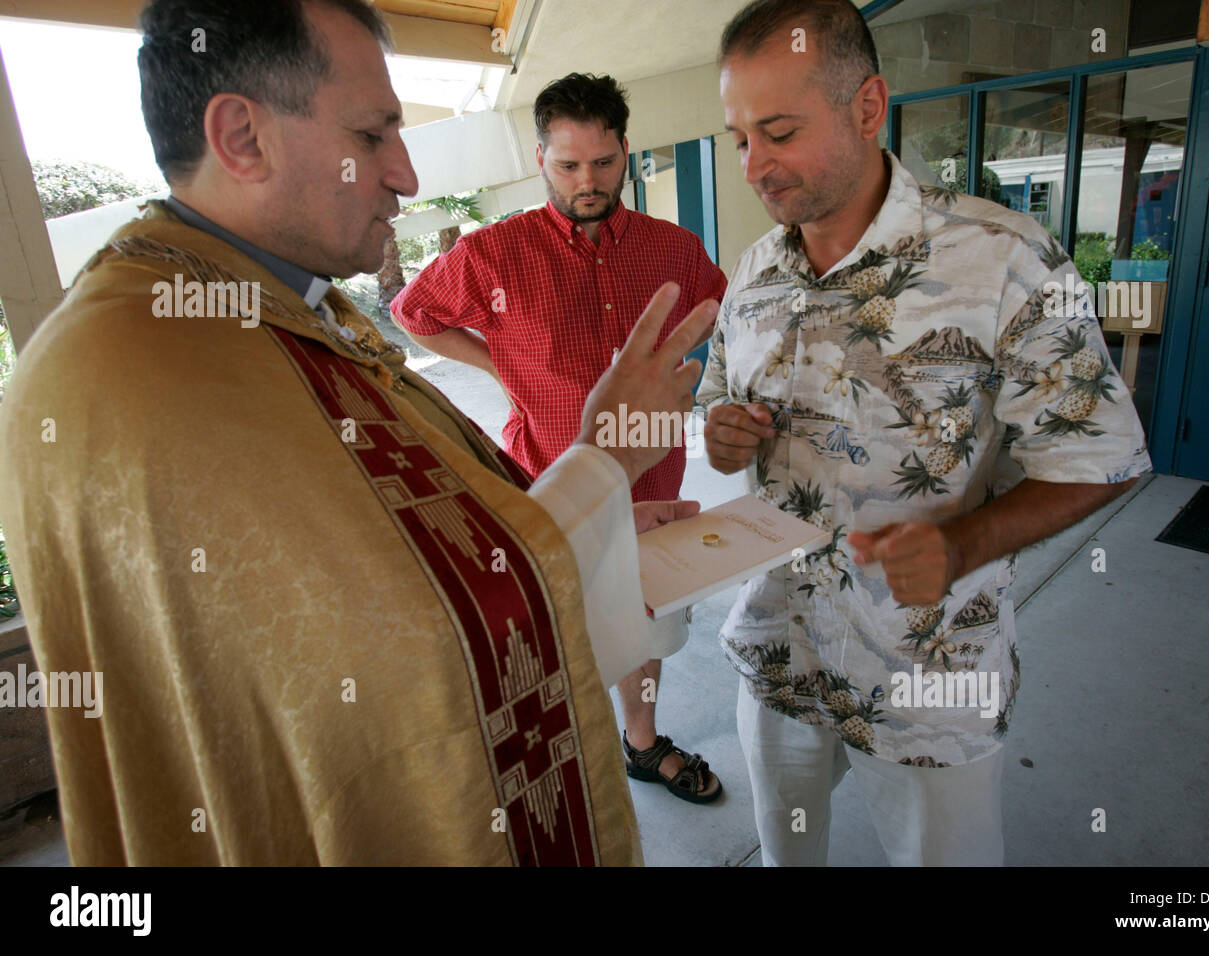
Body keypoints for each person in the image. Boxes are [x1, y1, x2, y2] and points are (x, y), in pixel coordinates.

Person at [0, 0, 716, 865]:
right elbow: (386, 675)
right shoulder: (131, 367)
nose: (408, 175)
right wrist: (598, 459)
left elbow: (423, 543)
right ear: (242, 136)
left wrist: (596, 515)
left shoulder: (301, 307)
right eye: (375, 135)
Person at [699, 0, 1151, 866]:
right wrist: (725, 433)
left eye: (780, 131)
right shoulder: (755, 272)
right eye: (739, 137)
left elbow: (1104, 457)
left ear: (867, 107)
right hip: (779, 648)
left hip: (928, 671)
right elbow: (722, 398)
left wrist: (963, 542)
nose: (756, 165)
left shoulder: (1001, 257)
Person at [391, 74, 728, 803]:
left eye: (603, 163)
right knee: (546, 627)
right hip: (543, 480)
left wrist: (698, 384)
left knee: (645, 622)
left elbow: (715, 316)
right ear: (540, 156)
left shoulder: (674, 248)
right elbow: (412, 311)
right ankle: (560, 754)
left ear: (626, 153)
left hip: (654, 477)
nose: (587, 180)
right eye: (568, 164)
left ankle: (641, 744)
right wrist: (499, 363)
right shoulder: (492, 254)